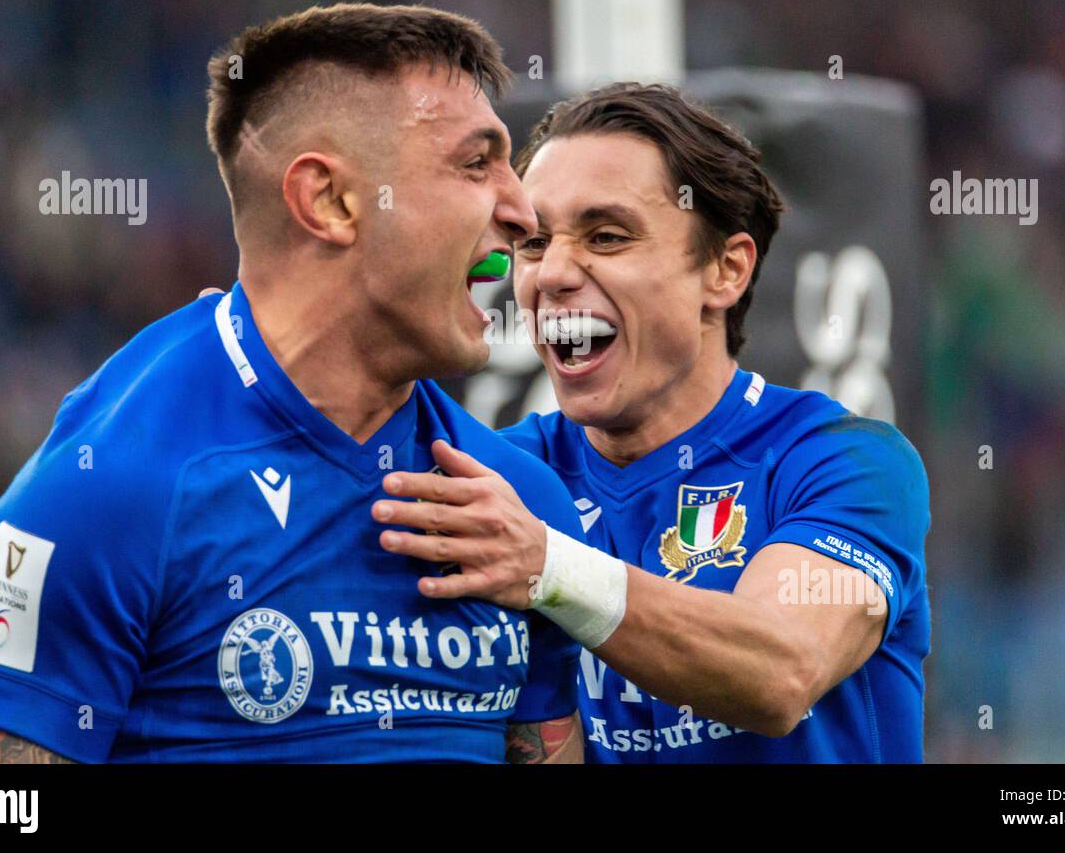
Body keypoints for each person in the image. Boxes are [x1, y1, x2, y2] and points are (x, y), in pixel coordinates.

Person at [0, 3, 584, 764]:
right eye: (476, 163)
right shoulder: (105, 492)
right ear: (329, 201)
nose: (523, 211)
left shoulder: (519, 510)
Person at [375, 82, 931, 762]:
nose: (550, 273)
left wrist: (550, 568)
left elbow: (781, 672)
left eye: (606, 237)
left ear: (725, 270)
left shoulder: (847, 461)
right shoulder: (501, 479)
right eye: (534, 241)